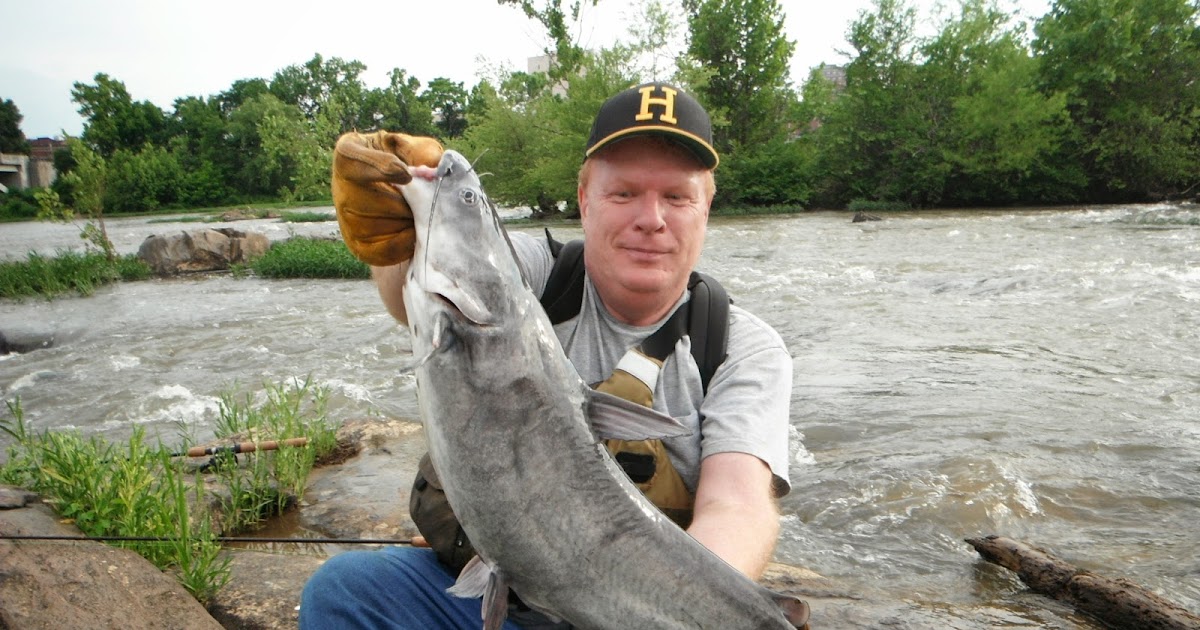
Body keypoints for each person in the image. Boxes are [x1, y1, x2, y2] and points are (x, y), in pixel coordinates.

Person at [299, 82, 794, 629]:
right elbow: (418, 292)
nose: (651, 219)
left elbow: (739, 506)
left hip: (632, 613)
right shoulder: (532, 275)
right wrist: (399, 229)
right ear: (584, 200)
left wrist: (682, 612)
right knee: (345, 592)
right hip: (499, 598)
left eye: (677, 197)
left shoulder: (740, 347)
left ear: (705, 209)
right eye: (624, 193)